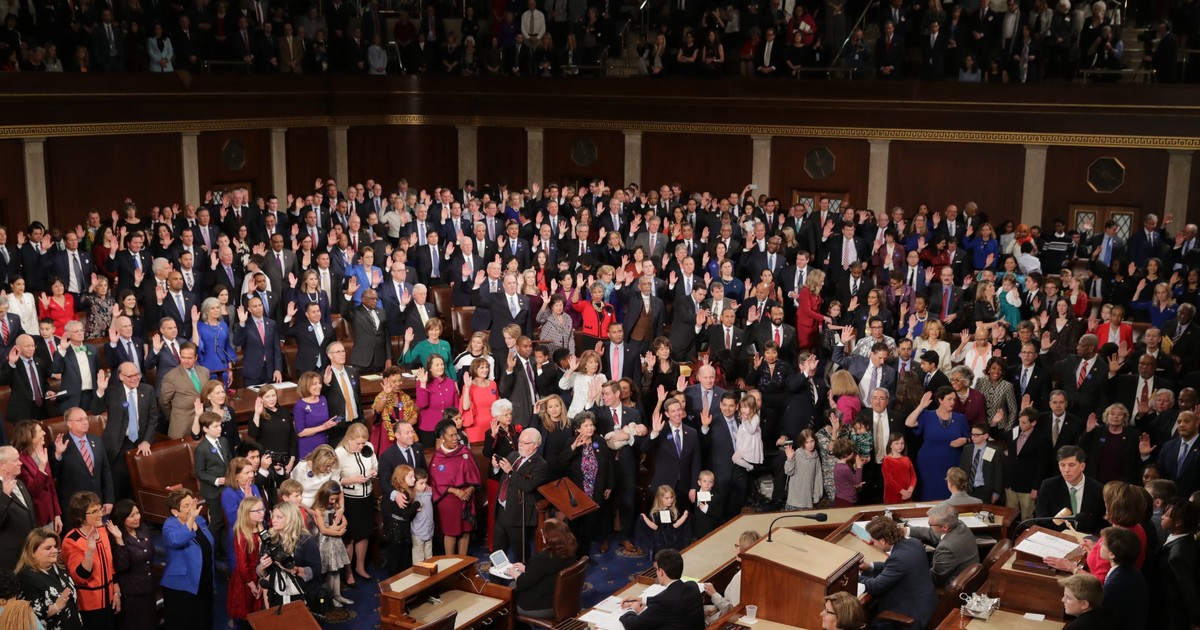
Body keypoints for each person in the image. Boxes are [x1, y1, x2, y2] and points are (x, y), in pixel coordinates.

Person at [858, 515, 937, 629]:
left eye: (873, 541)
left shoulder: (898, 559)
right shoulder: (914, 543)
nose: (873, 543)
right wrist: (870, 566)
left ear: (883, 540)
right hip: (926, 604)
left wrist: (855, 576)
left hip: (911, 616)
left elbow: (876, 586)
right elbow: (896, 568)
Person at [59, 491, 118, 630]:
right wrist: (89, 552)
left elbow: (110, 566)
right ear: (80, 517)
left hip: (109, 599)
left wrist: (116, 592)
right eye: (93, 512)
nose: (100, 515)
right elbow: (79, 577)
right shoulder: (72, 540)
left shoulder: (102, 530)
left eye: (99, 509)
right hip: (90, 606)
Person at [559, 411, 612, 556]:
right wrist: (573, 447)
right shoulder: (571, 441)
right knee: (575, 526)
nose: (590, 428)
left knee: (589, 525)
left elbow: (608, 464)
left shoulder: (599, 441)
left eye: (591, 425)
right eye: (586, 425)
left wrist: (609, 485)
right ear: (578, 429)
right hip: (576, 492)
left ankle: (584, 555)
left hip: (595, 489)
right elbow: (561, 463)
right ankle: (573, 555)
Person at [160, 488, 214, 630]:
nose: (191, 508)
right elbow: (177, 541)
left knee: (205, 619)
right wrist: (191, 519)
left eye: (192, 503)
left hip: (204, 580)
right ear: (174, 511)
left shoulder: (200, 520)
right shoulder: (170, 524)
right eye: (186, 505)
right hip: (183, 586)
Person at [493, 427, 548, 563]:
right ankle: (497, 581)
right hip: (502, 510)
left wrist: (510, 472)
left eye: (525, 443)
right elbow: (501, 478)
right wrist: (496, 467)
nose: (521, 445)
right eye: (520, 442)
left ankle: (522, 580)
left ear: (536, 445)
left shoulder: (540, 465)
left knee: (520, 553)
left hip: (518, 515)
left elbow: (528, 486)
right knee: (497, 552)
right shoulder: (513, 456)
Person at [904, 387, 970, 500]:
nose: (953, 402)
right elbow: (909, 423)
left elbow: (970, 437)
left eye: (954, 400)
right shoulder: (927, 415)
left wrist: (965, 440)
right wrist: (921, 406)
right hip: (928, 465)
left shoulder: (960, 418)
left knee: (949, 496)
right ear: (940, 400)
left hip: (951, 465)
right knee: (928, 494)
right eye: (949, 399)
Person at [506, 518, 578, 618]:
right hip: (565, 601)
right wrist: (526, 569)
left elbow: (524, 583)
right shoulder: (571, 552)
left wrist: (515, 574)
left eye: (543, 532)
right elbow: (547, 571)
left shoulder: (543, 558)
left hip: (541, 606)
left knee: (508, 591)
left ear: (549, 537)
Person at [335, 422, 378, 586]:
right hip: (349, 500)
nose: (361, 446)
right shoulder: (339, 453)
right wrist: (351, 480)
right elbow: (333, 480)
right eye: (357, 443)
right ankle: (348, 573)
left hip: (366, 497)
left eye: (363, 443)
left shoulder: (368, 447)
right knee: (350, 538)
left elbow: (375, 465)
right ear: (349, 439)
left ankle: (360, 567)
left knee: (364, 533)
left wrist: (374, 471)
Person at [430, 419, 481, 556]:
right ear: (442, 437)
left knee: (465, 531)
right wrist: (456, 491)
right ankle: (450, 565)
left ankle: (463, 562)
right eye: (451, 436)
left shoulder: (465, 451)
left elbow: (474, 475)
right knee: (451, 533)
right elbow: (437, 484)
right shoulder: (438, 458)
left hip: (467, 497)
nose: (455, 438)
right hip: (448, 500)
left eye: (456, 434)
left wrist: (470, 489)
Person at [619, 548, 704, 630]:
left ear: (661, 572)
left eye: (656, 569)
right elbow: (671, 599)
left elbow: (632, 626)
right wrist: (640, 599)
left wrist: (630, 609)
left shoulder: (662, 602)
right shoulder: (692, 586)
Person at [258, 501, 322, 609]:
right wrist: (262, 566)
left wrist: (294, 570)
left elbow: (316, 571)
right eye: (273, 516)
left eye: (279, 517)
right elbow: (260, 573)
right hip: (277, 595)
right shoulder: (269, 540)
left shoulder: (306, 540)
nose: (273, 520)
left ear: (290, 518)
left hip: (301, 595)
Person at [17, 529, 82, 630]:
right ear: (32, 552)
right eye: (48, 548)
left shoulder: (60, 566)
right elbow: (30, 615)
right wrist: (56, 606)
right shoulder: (26, 577)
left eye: (55, 546)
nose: (55, 551)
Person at [1036, 445, 1106, 534]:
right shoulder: (1048, 486)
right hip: (1058, 538)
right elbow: (1042, 519)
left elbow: (1102, 521)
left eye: (1071, 465)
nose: (1066, 470)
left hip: (1087, 540)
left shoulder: (1098, 489)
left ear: (1082, 466)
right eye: (1062, 465)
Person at [906, 503, 979, 587]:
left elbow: (934, 579)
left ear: (945, 527)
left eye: (930, 525)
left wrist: (909, 570)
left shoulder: (947, 548)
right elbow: (933, 533)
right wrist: (906, 530)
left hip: (948, 588)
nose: (929, 526)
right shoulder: (958, 524)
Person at [702, 530, 761, 624]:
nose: (735, 549)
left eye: (737, 546)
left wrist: (714, 593)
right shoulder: (759, 569)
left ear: (744, 549)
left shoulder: (741, 576)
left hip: (731, 619)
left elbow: (732, 609)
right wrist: (717, 607)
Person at [311, 480, 353, 607]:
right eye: (332, 499)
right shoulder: (318, 509)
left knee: (336, 570)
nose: (334, 501)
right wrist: (338, 531)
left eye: (336, 499)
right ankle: (330, 597)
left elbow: (345, 522)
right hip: (326, 543)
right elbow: (323, 530)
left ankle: (338, 595)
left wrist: (334, 529)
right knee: (330, 570)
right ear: (324, 495)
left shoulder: (334, 506)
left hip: (335, 542)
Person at [1097, 526, 1147, 630]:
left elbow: (1107, 619)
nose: (1100, 544)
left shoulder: (1114, 584)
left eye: (1104, 543)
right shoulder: (1131, 572)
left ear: (1112, 554)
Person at [228, 496, 265, 629]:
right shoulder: (242, 534)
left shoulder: (262, 529)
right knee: (247, 613)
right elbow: (242, 565)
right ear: (247, 513)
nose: (262, 512)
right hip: (247, 580)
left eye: (263, 509)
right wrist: (252, 585)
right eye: (258, 510)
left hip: (260, 574)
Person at [248, 384, 299, 474]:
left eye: (273, 395)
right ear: (261, 399)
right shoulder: (256, 415)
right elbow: (253, 434)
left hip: (286, 461)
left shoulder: (285, 412)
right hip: (267, 462)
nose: (271, 399)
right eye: (267, 396)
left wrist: (292, 459)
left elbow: (292, 438)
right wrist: (257, 414)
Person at [219, 457, 261, 556]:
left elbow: (262, 511)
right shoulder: (228, 494)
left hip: (258, 535)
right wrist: (247, 503)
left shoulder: (254, 488)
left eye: (252, 471)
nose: (252, 475)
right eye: (247, 473)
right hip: (241, 541)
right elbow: (235, 521)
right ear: (236, 476)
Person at [415, 355, 460, 446]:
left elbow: (456, 407)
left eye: (442, 364)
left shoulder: (450, 383)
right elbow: (422, 404)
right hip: (428, 429)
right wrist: (423, 384)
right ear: (430, 368)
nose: (441, 367)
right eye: (437, 365)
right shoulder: (422, 382)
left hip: (448, 429)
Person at [384, 464, 421, 575]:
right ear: (401, 478)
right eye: (411, 477)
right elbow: (405, 515)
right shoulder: (402, 494)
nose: (414, 479)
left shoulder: (402, 491)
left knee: (402, 557)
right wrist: (417, 504)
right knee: (397, 558)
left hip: (401, 528)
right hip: (397, 530)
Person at [783, 430, 823, 510]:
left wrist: (816, 495)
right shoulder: (797, 454)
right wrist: (790, 459)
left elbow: (818, 476)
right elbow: (788, 471)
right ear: (802, 443)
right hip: (794, 500)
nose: (810, 444)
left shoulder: (815, 455)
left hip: (808, 499)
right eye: (807, 442)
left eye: (812, 441)